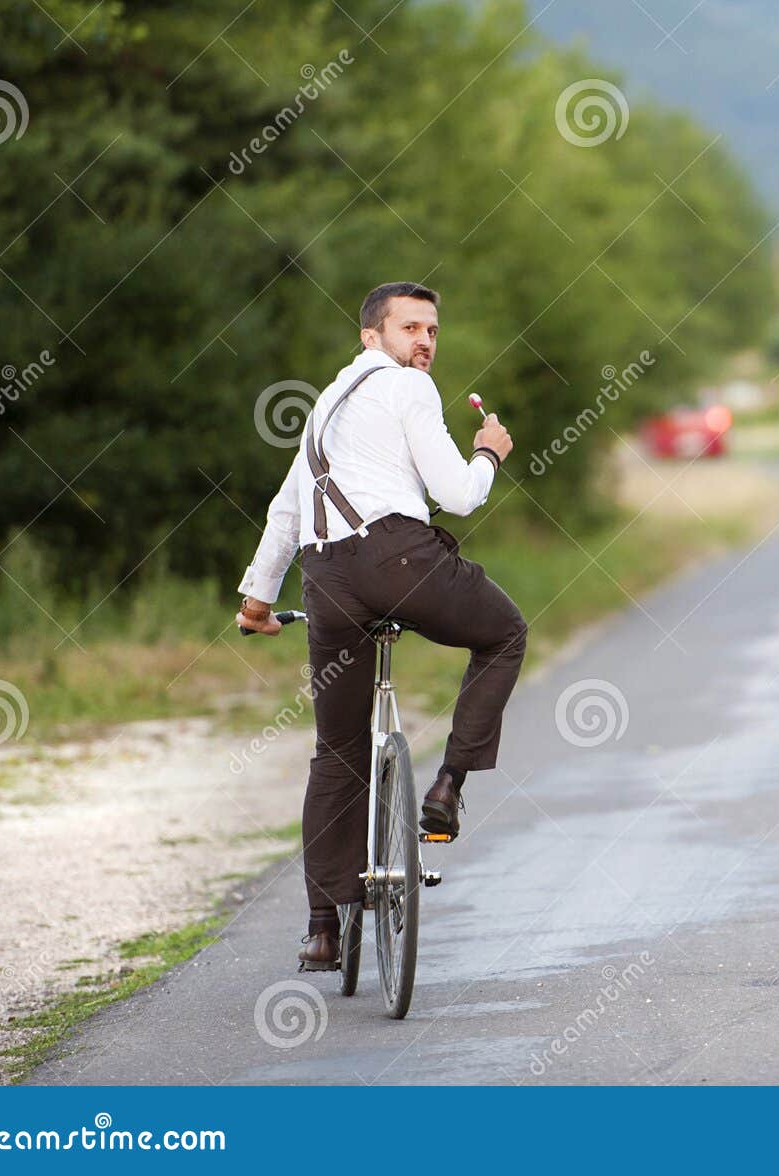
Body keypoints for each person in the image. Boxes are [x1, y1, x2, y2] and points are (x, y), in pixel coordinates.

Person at [234, 281, 526, 970]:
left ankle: (321, 930)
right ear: (373, 336)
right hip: (401, 562)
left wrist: (256, 602)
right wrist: (489, 452)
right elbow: (458, 495)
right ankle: (448, 785)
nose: (424, 341)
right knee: (505, 634)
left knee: (336, 751)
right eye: (410, 328)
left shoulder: (323, 409)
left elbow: (287, 510)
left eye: (432, 329)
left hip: (328, 579)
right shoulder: (409, 387)